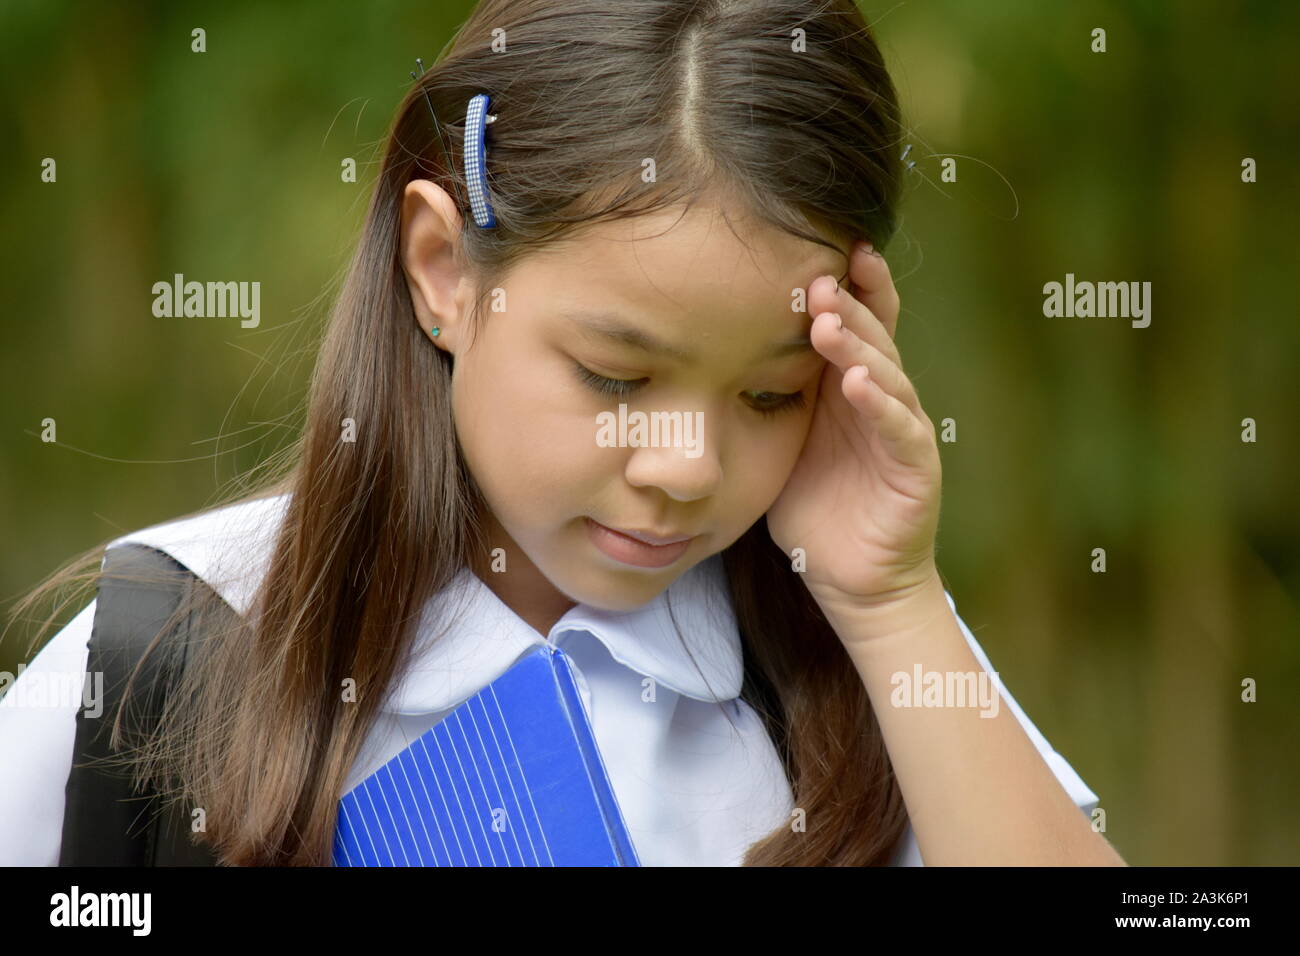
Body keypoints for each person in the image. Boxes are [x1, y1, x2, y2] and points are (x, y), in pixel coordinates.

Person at [0, 0, 1124, 866]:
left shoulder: (866, 664)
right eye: (615, 375)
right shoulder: (168, 655)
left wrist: (890, 605)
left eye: (771, 395)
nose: (686, 465)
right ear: (443, 269)